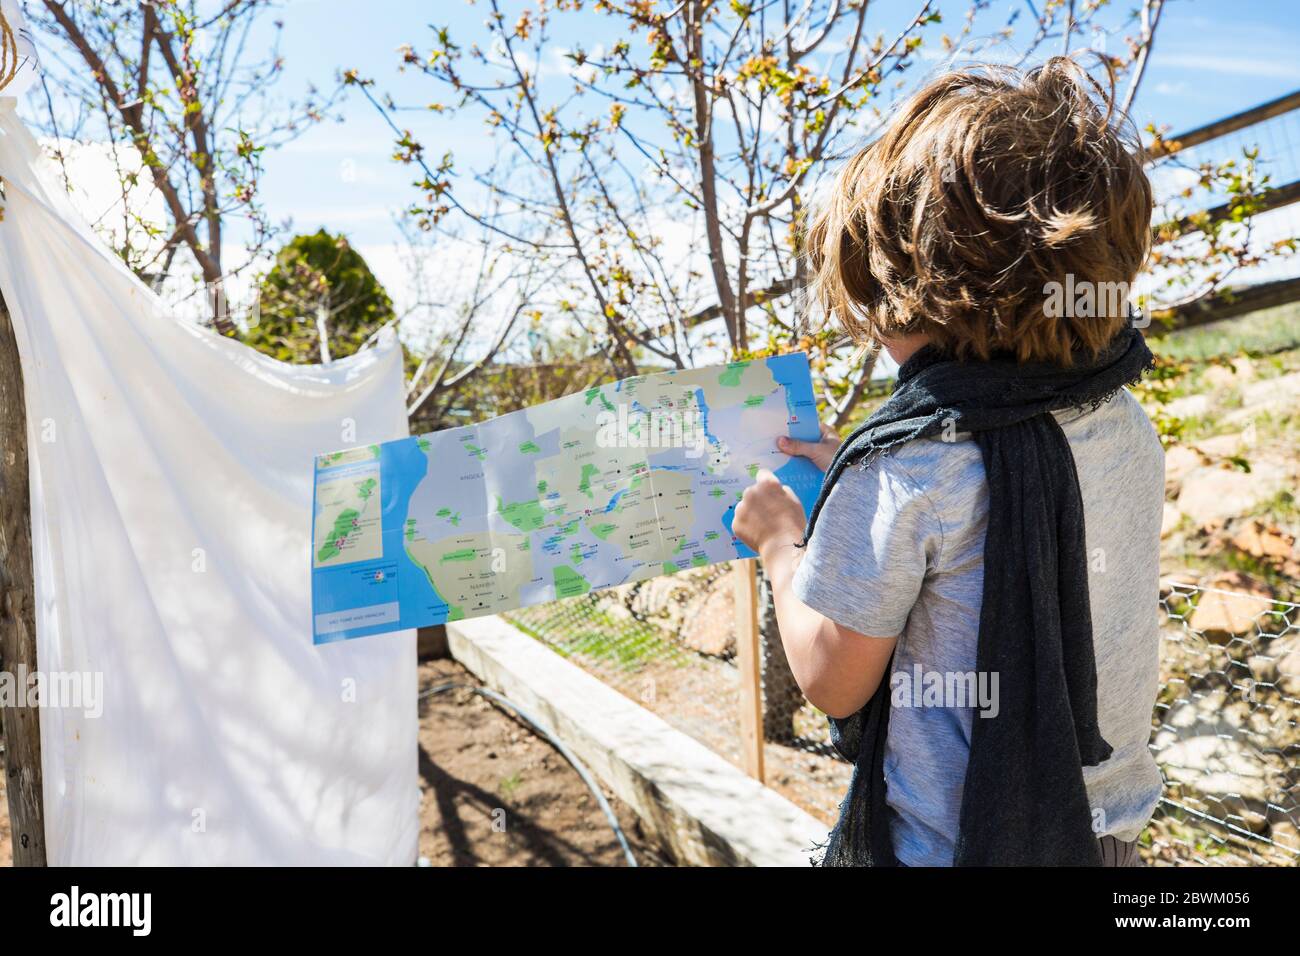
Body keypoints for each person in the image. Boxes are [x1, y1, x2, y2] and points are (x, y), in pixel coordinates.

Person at [732, 57, 1163, 867]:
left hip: (953, 849)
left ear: (917, 291)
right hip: (1105, 842)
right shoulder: (1122, 416)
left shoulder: (905, 469)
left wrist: (782, 543)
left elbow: (831, 677)